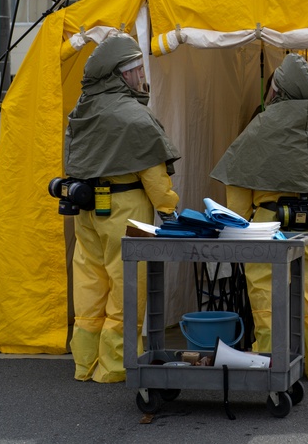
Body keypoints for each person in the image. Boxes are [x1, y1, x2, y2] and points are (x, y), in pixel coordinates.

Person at [211, 53, 308, 381]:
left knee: (267, 297)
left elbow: (237, 186)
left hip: (267, 228)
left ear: (277, 89)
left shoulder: (261, 124)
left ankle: (271, 365)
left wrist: (243, 220)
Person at [63, 32, 181, 383]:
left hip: (85, 209)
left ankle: (84, 364)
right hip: (124, 212)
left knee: (89, 284)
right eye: (137, 69)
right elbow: (155, 177)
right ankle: (114, 367)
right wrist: (169, 210)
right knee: (128, 286)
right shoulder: (133, 116)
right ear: (121, 73)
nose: (141, 76)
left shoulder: (81, 111)